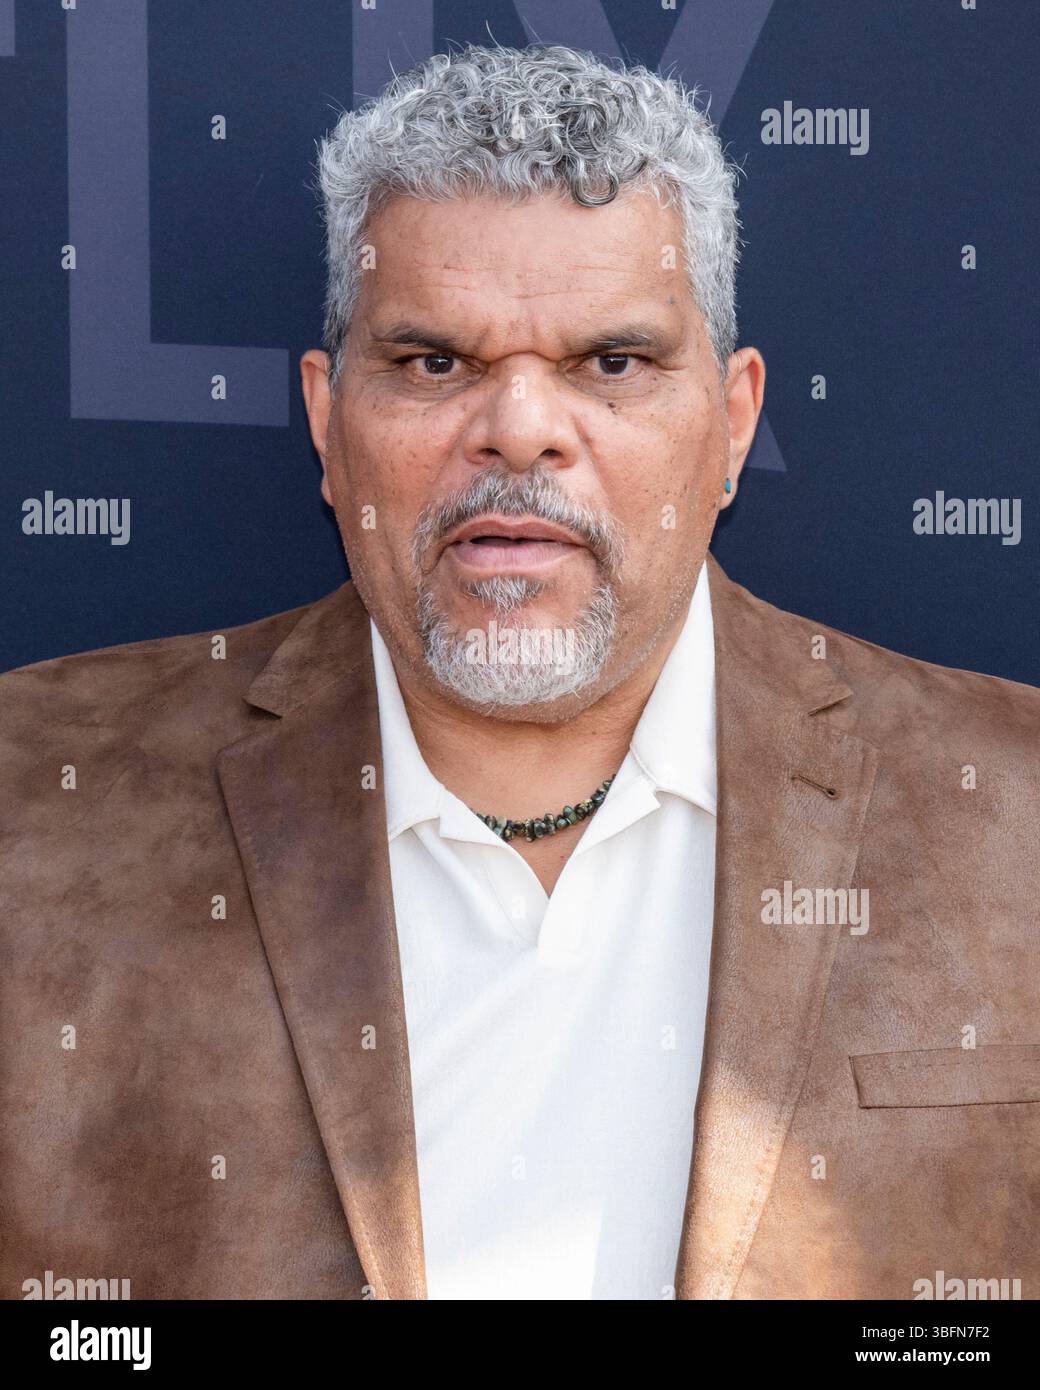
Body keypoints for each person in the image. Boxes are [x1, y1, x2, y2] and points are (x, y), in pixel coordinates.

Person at [2, 44, 1038, 1302]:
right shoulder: (35, 806)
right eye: (434, 363)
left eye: (610, 363)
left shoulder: (1013, 811)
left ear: (732, 419)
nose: (519, 428)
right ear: (328, 425)